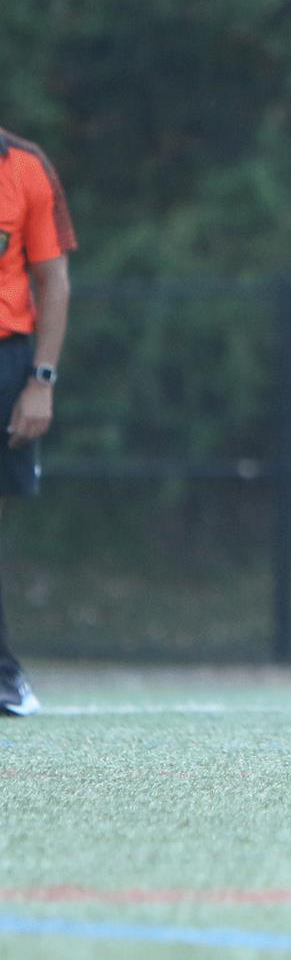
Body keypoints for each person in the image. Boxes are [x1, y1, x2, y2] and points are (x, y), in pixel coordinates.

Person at [0, 126, 76, 717]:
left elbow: (54, 281)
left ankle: (3, 677)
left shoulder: (24, 166)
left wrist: (41, 382)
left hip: (7, 358)